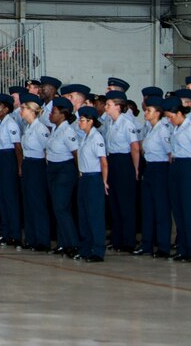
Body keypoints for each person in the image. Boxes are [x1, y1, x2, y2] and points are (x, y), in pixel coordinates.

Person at [165, 97, 191, 263]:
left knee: (190, 211)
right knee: (179, 211)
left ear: (179, 113)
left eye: (171, 116)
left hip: (189, 167)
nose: (169, 119)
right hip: (176, 166)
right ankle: (183, 249)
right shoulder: (175, 128)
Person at [102, 90, 140, 253]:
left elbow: (135, 148)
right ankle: (117, 240)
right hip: (112, 161)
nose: (106, 107)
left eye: (109, 105)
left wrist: (135, 168)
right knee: (115, 203)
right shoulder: (110, 123)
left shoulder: (127, 123)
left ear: (118, 106)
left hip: (124, 162)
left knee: (125, 203)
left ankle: (128, 241)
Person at [137, 96, 173, 258]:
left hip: (161, 169)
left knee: (161, 209)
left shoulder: (163, 129)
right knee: (148, 208)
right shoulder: (151, 129)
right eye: (146, 110)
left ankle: (163, 246)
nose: (146, 112)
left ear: (158, 113)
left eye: (149, 110)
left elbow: (170, 154)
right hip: (150, 168)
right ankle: (147, 245)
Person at [45, 98, 80, 257]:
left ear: (63, 114)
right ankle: (62, 243)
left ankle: (73, 244)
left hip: (65, 170)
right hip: (53, 168)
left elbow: (76, 154)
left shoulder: (68, 131)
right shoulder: (56, 129)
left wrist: (80, 173)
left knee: (61, 207)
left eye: (54, 112)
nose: (50, 114)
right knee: (58, 208)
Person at [75, 106, 108, 263]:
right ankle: (86, 248)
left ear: (91, 121)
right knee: (84, 215)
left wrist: (104, 181)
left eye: (82, 120)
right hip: (84, 178)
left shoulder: (97, 138)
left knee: (95, 216)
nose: (79, 123)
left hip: (94, 178)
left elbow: (103, 162)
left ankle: (98, 249)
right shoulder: (85, 137)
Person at [19, 97, 51, 251]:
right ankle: (31, 238)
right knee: (28, 202)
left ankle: (42, 239)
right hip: (28, 163)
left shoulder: (40, 129)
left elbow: (47, 149)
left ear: (32, 110)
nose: (21, 111)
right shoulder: (28, 127)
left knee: (38, 203)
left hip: (37, 165)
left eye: (23, 108)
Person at [0, 94, 22, 246]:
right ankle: (5, 232)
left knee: (10, 198)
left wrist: (19, 166)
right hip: (1, 158)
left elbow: (17, 147)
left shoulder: (11, 124)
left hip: (9, 158)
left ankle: (15, 233)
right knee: (1, 196)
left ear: (6, 109)